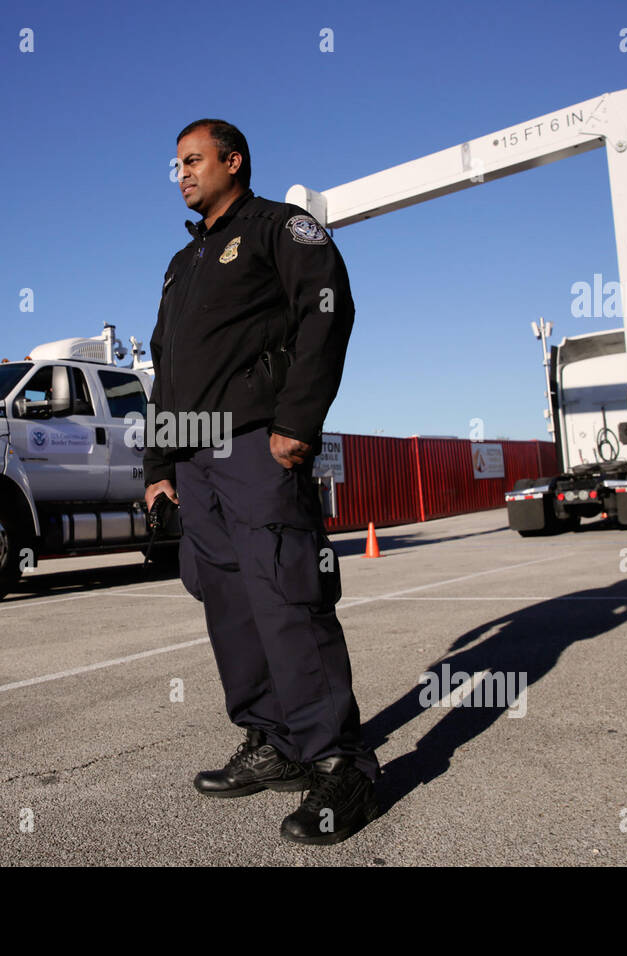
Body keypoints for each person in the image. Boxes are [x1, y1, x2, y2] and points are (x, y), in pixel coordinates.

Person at [143, 118, 379, 845]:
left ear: (233, 161)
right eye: (175, 164)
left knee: (286, 596)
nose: (180, 173)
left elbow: (327, 312)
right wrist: (159, 469)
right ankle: (272, 741)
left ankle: (341, 763)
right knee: (231, 605)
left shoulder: (282, 227)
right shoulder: (184, 264)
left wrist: (297, 423)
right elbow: (166, 368)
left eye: (193, 160)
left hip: (255, 447)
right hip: (196, 457)